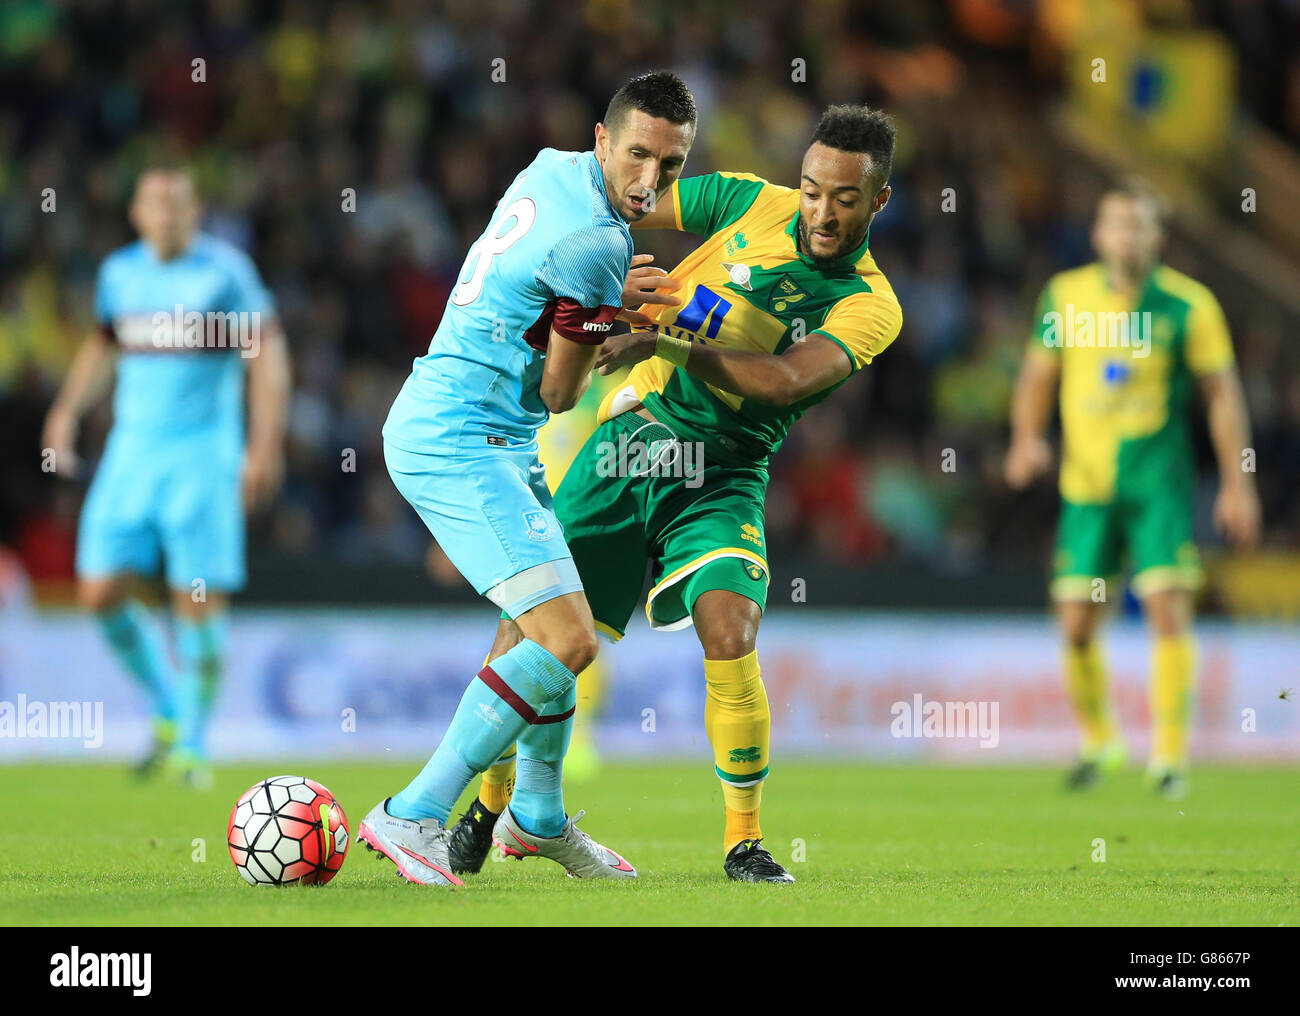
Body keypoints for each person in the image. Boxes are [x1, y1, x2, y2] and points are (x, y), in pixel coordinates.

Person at [450, 104, 904, 883]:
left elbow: (788, 379)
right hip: (633, 442)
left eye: (845, 198)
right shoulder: (745, 201)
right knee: (535, 632)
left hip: (722, 472)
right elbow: (621, 198)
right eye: (812, 190)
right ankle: (486, 811)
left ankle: (744, 843)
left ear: (879, 200)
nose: (822, 212)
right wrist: (589, 276)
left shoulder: (868, 304)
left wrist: (664, 339)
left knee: (731, 628)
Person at [356, 71, 697, 885]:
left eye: (672, 165)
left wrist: (600, 308)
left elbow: (534, 302)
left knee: (532, 631)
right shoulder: (600, 244)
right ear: (603, 141)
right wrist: (624, 315)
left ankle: (537, 818)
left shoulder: (547, 168)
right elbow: (560, 391)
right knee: (570, 640)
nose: (650, 182)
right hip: (462, 437)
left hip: (478, 431)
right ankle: (413, 813)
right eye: (639, 155)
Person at [1004, 182, 1261, 798]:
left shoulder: (1188, 305)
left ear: (1158, 237)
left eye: (1140, 225)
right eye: (1117, 223)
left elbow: (1222, 395)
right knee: (1074, 625)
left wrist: (1237, 483)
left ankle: (1169, 759)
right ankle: (1102, 741)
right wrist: (1026, 439)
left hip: (1158, 486)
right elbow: (1039, 375)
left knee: (1168, 607)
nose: (1128, 235)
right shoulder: (1065, 297)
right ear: (1098, 234)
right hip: (1087, 487)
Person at [42, 167, 290, 788]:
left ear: (195, 210)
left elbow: (267, 358)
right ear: (136, 212)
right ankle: (169, 709)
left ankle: (193, 748)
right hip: (131, 453)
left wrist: (264, 444)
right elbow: (102, 348)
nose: (167, 215)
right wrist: (66, 411)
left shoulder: (227, 273)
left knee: (196, 599)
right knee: (98, 593)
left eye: (177, 204)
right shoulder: (119, 274)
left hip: (203, 455)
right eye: (155, 204)